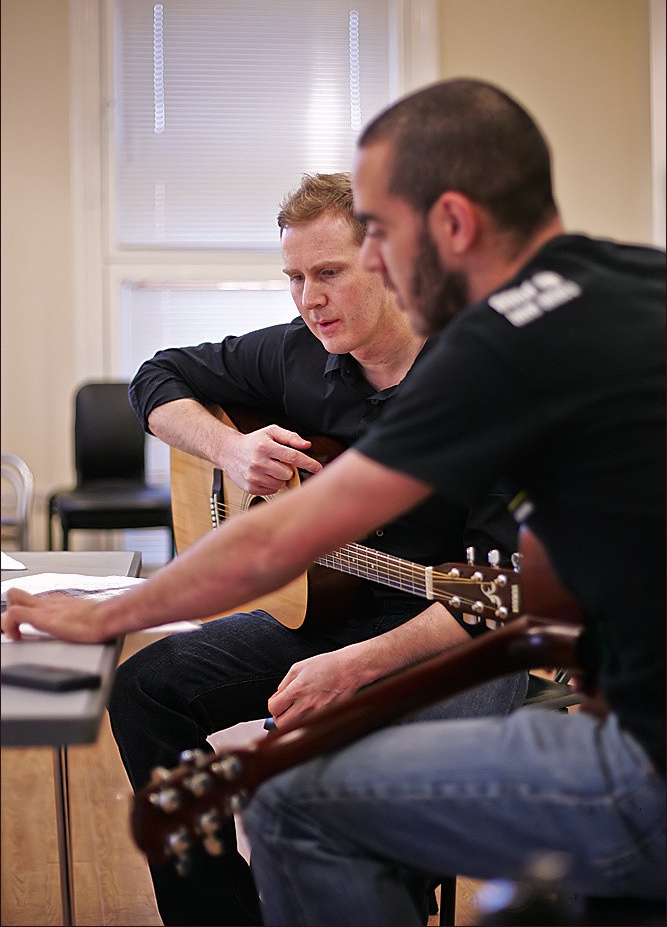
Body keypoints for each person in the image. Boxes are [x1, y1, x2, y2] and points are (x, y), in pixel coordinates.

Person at [3, 81, 664, 924]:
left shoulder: (496, 353)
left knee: (296, 806)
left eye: (376, 236)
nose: (365, 269)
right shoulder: (623, 282)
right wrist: (231, 452)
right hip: (562, 679)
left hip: (617, 747)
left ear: (450, 224)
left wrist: (105, 616)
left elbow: (307, 546)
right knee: (184, 709)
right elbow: (526, 591)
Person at [111, 172, 525, 926]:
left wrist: (355, 668)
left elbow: (500, 597)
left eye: (328, 273)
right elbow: (155, 377)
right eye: (295, 278)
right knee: (144, 691)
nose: (307, 299)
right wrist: (231, 451)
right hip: (327, 611)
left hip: (457, 642)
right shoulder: (298, 356)